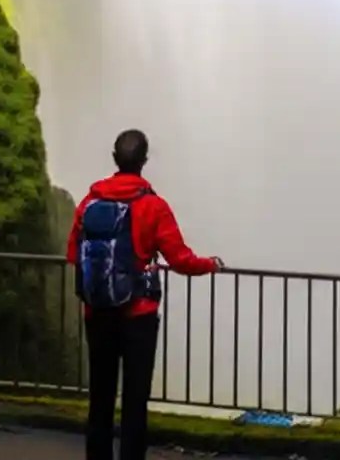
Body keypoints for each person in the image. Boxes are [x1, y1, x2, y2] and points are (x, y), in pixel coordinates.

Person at [67, 129, 223, 460]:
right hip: (138, 316)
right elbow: (180, 259)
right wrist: (211, 264)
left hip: (97, 313)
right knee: (135, 401)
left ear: (114, 159)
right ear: (144, 162)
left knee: (101, 397)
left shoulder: (89, 203)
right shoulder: (153, 206)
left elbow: (73, 254)